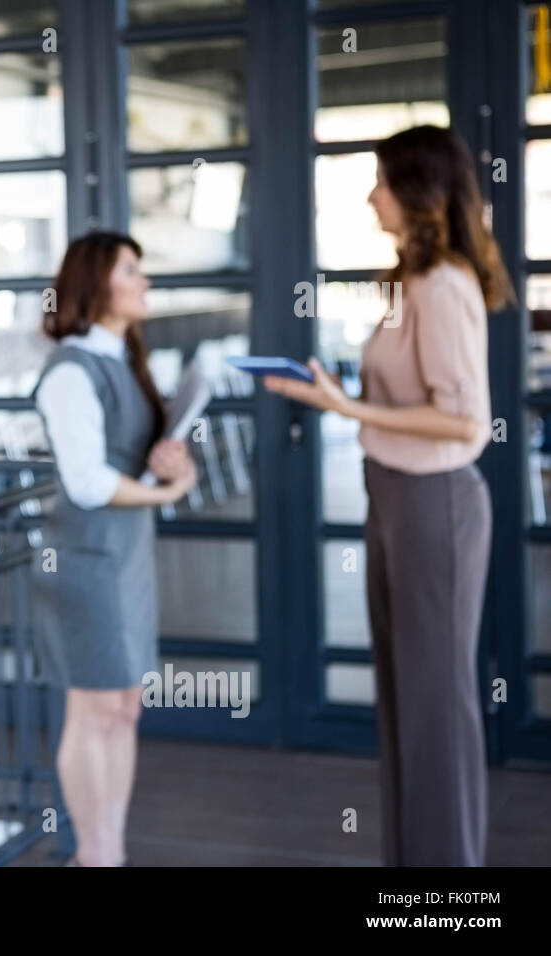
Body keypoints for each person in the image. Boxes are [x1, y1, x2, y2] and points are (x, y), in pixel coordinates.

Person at [263, 125, 514, 866]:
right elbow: (406, 397)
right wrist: (341, 395)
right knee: (408, 702)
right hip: (396, 496)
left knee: (436, 709)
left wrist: (350, 412)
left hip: (434, 501)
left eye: (380, 180)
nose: (371, 194)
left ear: (417, 192)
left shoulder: (442, 287)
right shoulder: (411, 282)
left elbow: (464, 418)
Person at [29, 231, 197, 867]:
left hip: (124, 559)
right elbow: (89, 483)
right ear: (97, 284)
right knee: (94, 710)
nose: (145, 281)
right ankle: (95, 857)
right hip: (84, 564)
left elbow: (144, 463)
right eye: (134, 270)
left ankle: (108, 852)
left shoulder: (123, 357)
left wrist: (177, 469)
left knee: (124, 706)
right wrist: (162, 495)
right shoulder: (71, 369)